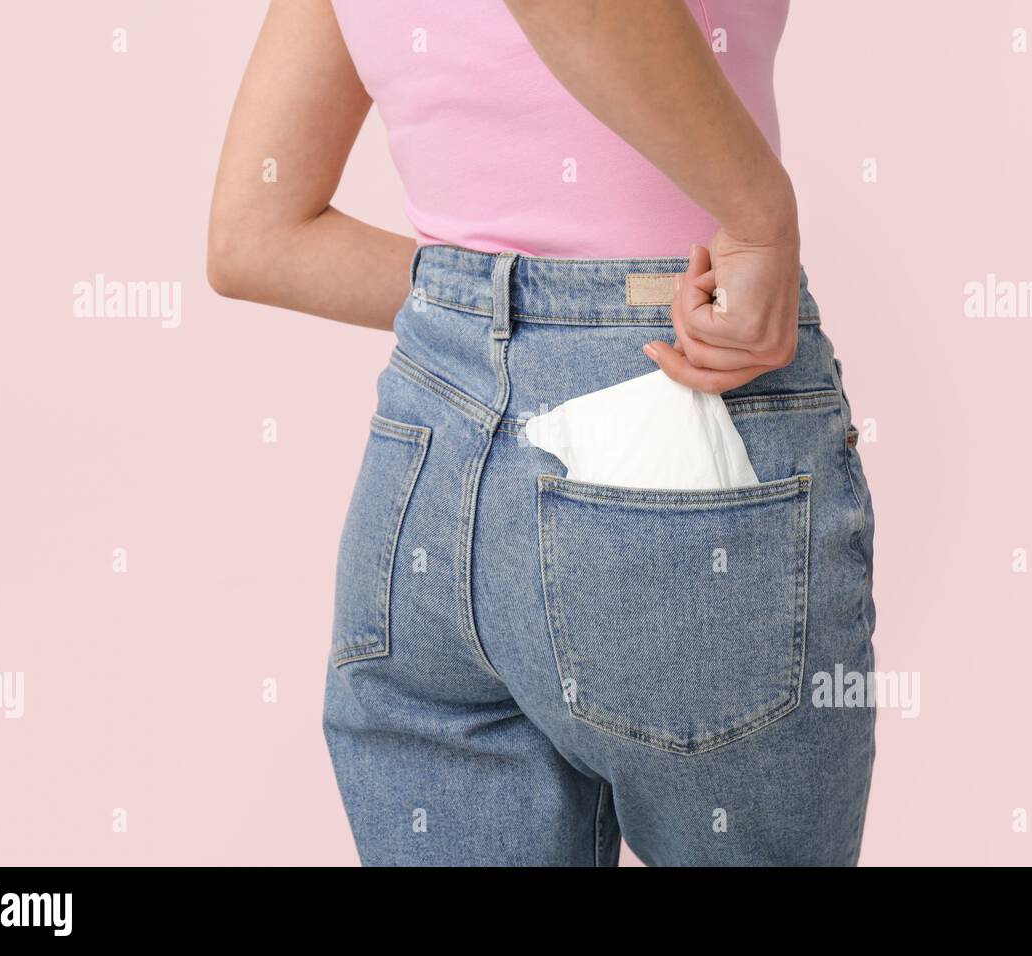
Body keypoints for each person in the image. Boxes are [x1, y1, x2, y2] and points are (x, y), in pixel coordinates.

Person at [208, 0, 877, 866]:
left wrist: (490, 303)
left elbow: (256, 236)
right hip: (674, 418)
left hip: (429, 468)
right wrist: (758, 218)